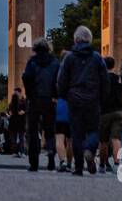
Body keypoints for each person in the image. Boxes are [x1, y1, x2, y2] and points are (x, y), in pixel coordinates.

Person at [56, 25, 107, 176]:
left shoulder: (70, 58)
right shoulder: (97, 57)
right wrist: (102, 98)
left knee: (76, 133)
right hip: (92, 99)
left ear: (76, 40)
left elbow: (62, 80)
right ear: (89, 40)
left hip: (74, 99)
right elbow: (105, 80)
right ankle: (89, 149)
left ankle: (78, 168)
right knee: (93, 130)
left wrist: (64, 95)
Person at [22, 38, 60, 172]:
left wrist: (29, 93)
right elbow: (58, 80)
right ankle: (50, 151)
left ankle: (34, 162)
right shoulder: (55, 62)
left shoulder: (32, 62)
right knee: (50, 130)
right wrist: (55, 95)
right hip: (49, 100)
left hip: (34, 100)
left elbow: (26, 77)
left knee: (33, 131)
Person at [97, 56, 122, 173]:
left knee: (103, 141)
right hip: (118, 111)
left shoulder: (101, 79)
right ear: (113, 65)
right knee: (116, 139)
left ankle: (102, 165)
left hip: (104, 111)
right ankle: (117, 163)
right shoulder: (119, 79)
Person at [7, 88, 26, 157]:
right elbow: (9, 110)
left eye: (16, 93)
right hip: (13, 122)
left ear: (20, 93)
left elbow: (25, 110)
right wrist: (9, 112)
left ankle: (22, 152)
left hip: (21, 122)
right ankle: (15, 152)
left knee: (21, 138)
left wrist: (24, 112)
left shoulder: (24, 101)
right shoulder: (12, 102)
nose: (15, 94)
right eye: (14, 93)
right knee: (14, 138)